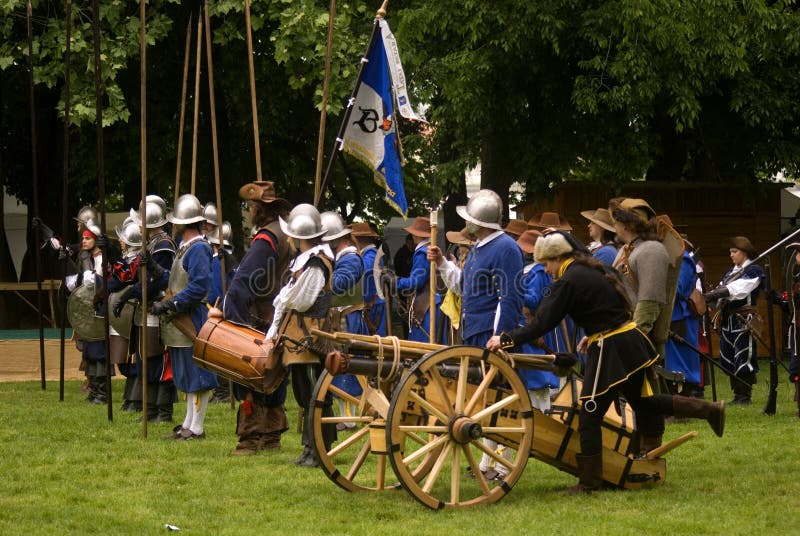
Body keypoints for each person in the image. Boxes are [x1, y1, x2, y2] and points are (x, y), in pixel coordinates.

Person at [486, 231, 725, 494]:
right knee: (642, 402)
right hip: (626, 339)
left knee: (589, 412)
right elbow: (610, 307)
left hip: (614, 346)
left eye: (546, 263)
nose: (546, 269)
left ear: (558, 257)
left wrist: (506, 340)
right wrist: (594, 333)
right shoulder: (589, 270)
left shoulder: (569, 279)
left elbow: (543, 322)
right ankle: (710, 410)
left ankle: (590, 482)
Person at [427, 190, 524, 481]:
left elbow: (509, 297)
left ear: (478, 222)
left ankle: (499, 463)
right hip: (473, 331)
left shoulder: (506, 248)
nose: (465, 224)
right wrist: (443, 263)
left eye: (469, 219)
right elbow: (462, 288)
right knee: (480, 400)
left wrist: (501, 336)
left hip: (489, 334)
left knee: (497, 397)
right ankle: (486, 461)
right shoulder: (480, 247)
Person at [261, 204, 336, 467]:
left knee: (315, 394)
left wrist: (284, 297)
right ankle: (310, 448)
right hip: (299, 336)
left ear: (301, 238)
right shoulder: (305, 262)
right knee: (305, 395)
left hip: (311, 337)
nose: (289, 240)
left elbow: (302, 301)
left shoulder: (317, 263)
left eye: (292, 236)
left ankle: (318, 449)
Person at [223, 181, 293, 455]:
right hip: (280, 319)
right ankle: (272, 436)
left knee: (249, 379)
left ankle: (250, 440)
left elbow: (241, 286)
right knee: (274, 378)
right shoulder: (285, 234)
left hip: (260, 321)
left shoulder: (266, 239)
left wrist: (236, 327)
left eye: (249, 206)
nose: (248, 211)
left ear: (257, 209)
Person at [151, 194, 219, 440]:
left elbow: (200, 286)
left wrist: (172, 303)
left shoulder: (199, 248)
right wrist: (156, 269)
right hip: (180, 316)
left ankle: (197, 428)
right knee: (186, 373)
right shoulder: (186, 247)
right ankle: (188, 423)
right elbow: (177, 278)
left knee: (197, 374)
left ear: (181, 223)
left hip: (193, 315)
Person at [125, 200, 178, 424]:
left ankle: (162, 411)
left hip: (159, 306)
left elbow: (160, 281)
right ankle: (150, 410)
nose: (138, 227)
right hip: (147, 306)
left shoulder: (163, 245)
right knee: (146, 358)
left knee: (159, 360)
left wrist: (133, 291)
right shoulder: (152, 243)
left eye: (141, 222)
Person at [704, 236, 765, 405]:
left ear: (744, 252)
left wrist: (718, 292)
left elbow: (740, 290)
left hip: (744, 319)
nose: (731, 255)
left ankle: (744, 396)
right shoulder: (730, 272)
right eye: (730, 251)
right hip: (727, 320)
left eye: (734, 251)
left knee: (743, 355)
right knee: (728, 355)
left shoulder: (754, 270)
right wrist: (708, 300)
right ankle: (737, 394)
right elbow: (720, 292)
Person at [384, 217, 441, 343]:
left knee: (424, 346)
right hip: (430, 302)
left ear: (417, 235)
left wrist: (395, 281)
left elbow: (416, 282)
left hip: (426, 305)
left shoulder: (422, 252)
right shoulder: (428, 249)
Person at [664, 244, 703, 399]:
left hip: (680, 317)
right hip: (671, 316)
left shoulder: (684, 260)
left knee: (680, 362)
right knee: (670, 361)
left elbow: (677, 289)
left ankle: (681, 406)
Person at [351, 222, 386, 336]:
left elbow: (359, 273)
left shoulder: (371, 255)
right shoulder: (369, 254)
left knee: (374, 345)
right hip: (370, 306)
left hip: (372, 307)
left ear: (359, 238)